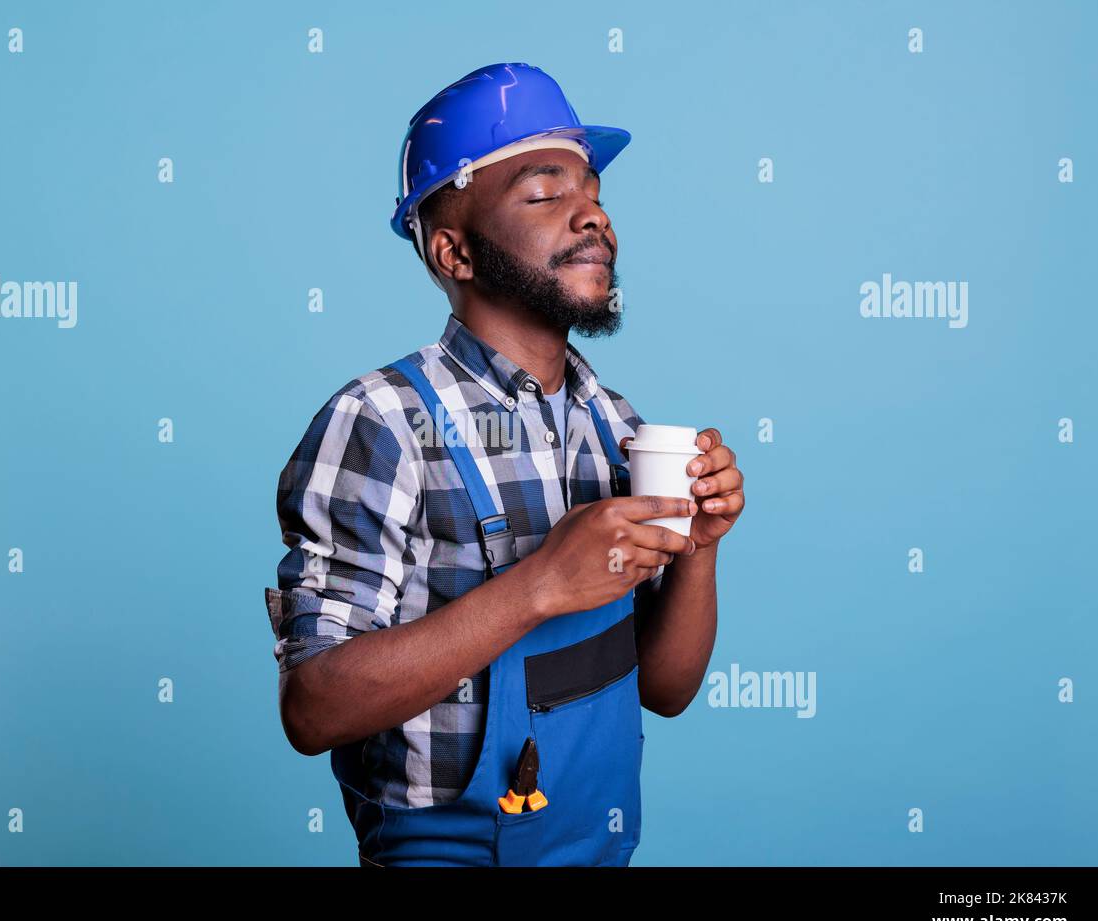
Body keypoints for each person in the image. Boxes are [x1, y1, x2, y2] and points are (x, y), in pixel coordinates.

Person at [264, 62, 745, 866]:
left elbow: (664, 692)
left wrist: (700, 549)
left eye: (592, 193)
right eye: (544, 193)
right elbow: (313, 710)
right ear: (454, 252)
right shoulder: (382, 422)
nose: (592, 214)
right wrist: (542, 585)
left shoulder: (614, 425)